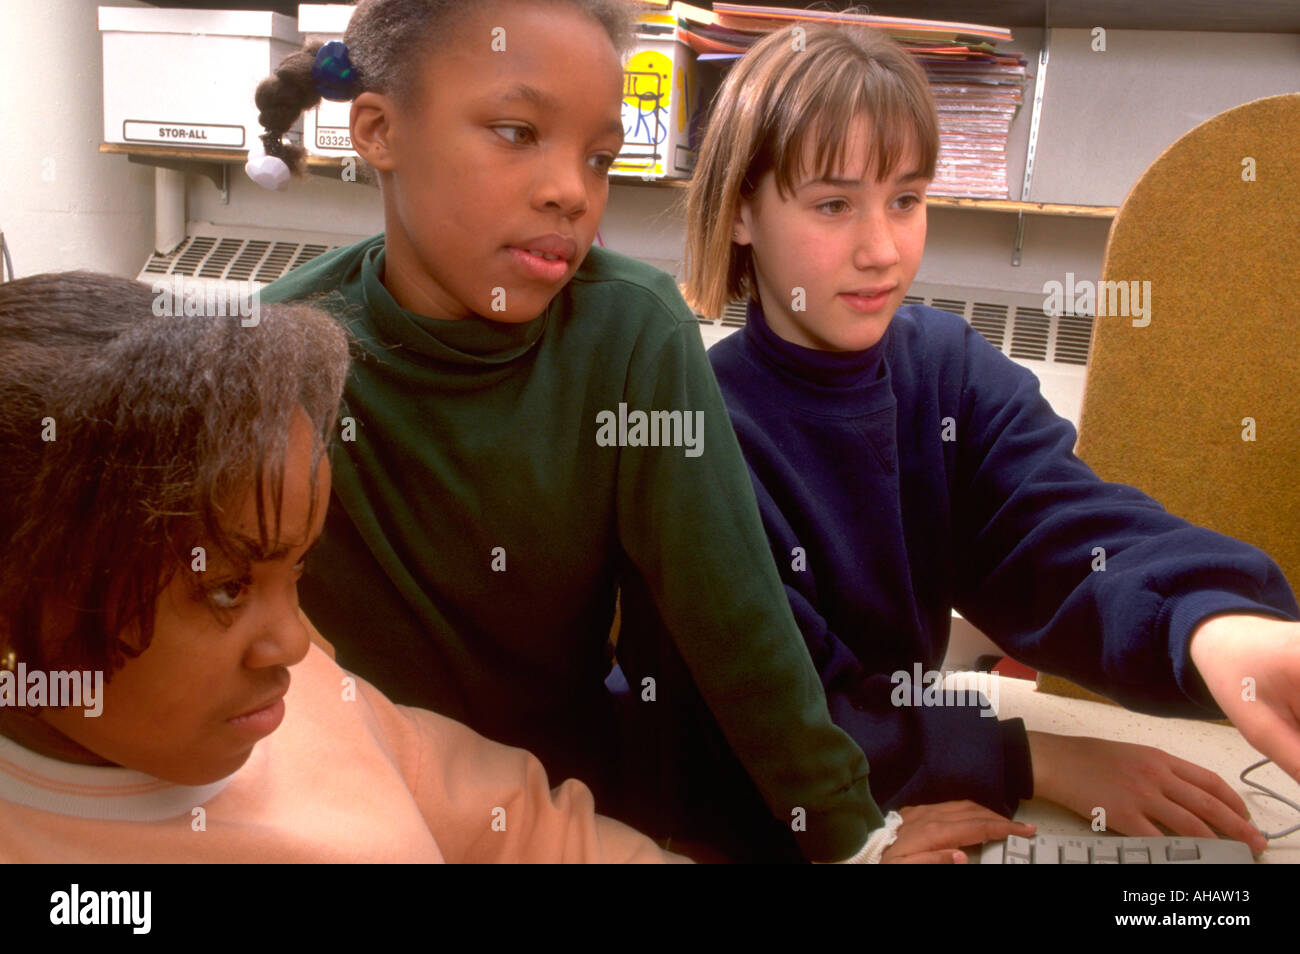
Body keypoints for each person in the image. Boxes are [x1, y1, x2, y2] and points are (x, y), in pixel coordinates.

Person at [249, 0, 1003, 863]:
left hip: (572, 818)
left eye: (599, 157)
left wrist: (849, 834)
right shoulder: (278, 348)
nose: (572, 189)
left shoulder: (633, 333)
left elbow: (733, 620)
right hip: (348, 809)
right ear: (379, 130)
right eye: (515, 130)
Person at [685, 22, 1300, 854]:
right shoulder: (706, 436)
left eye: (906, 199)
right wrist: (1026, 759)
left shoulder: (945, 368)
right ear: (741, 214)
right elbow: (768, 724)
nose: (882, 249)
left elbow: (1062, 535)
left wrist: (1212, 626)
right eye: (833, 204)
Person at [0, 270, 683, 863]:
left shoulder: (302, 704)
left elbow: (523, 829)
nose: (298, 644)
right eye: (227, 589)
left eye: (296, 571)